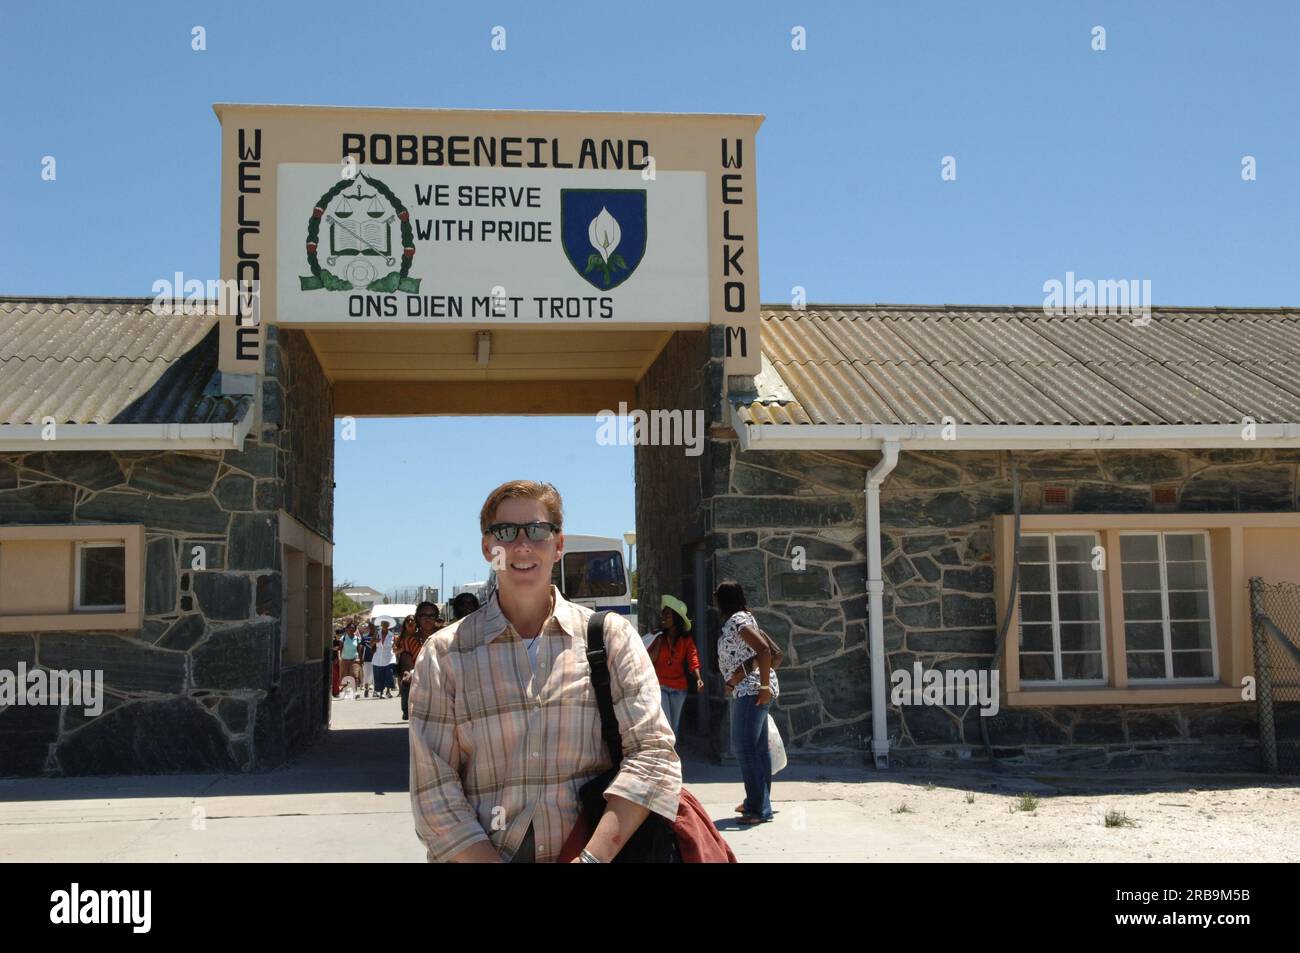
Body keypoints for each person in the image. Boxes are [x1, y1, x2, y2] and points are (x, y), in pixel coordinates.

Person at [409, 479, 680, 863]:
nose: (522, 545)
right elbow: (433, 790)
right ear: (489, 548)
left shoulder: (611, 639)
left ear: (559, 545)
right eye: (506, 532)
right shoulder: (444, 654)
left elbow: (653, 754)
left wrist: (591, 859)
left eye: (538, 531)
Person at [715, 579, 779, 825]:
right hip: (751, 688)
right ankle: (760, 802)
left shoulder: (738, 621)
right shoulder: (745, 617)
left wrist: (763, 687)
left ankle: (757, 807)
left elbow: (764, 651)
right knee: (759, 749)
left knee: (744, 748)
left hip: (751, 691)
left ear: (723, 600)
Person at [642, 595, 703, 736]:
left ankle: (671, 754)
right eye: (663, 614)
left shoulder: (686, 640)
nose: (663, 617)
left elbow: (693, 659)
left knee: (674, 727)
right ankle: (668, 755)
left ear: (676, 618)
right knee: (666, 725)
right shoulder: (657, 636)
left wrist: (698, 678)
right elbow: (648, 659)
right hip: (660, 686)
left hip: (679, 688)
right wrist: (657, 642)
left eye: (667, 615)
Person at [398, 602, 439, 720]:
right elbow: (406, 662)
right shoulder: (409, 640)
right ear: (418, 618)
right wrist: (408, 673)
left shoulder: (445, 636)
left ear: (436, 618)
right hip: (419, 679)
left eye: (432, 615)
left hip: (443, 679)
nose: (428, 618)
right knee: (406, 681)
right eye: (423, 615)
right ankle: (407, 711)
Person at [373, 620, 396, 698]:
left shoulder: (392, 635)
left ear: (388, 626)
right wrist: (375, 641)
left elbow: (395, 646)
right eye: (383, 625)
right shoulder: (377, 634)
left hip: (389, 657)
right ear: (381, 625)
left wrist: (395, 647)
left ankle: (388, 692)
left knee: (389, 674)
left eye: (386, 625)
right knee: (380, 675)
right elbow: (370, 644)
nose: (385, 626)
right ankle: (381, 692)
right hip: (378, 657)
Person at [340, 623, 362, 693]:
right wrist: (340, 658)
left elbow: (359, 650)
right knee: (345, 676)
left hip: (354, 659)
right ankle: (346, 691)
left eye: (353, 628)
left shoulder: (357, 639)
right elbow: (340, 649)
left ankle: (355, 692)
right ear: (346, 629)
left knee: (355, 676)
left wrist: (360, 660)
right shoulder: (343, 638)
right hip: (345, 660)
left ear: (355, 629)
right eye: (349, 627)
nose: (351, 629)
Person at [360, 622, 377, 698]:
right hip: (367, 658)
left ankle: (375, 691)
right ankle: (366, 689)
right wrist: (361, 658)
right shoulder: (365, 637)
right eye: (370, 627)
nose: (372, 628)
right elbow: (362, 648)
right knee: (367, 675)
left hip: (377, 659)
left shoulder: (378, 637)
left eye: (373, 627)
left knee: (375, 675)